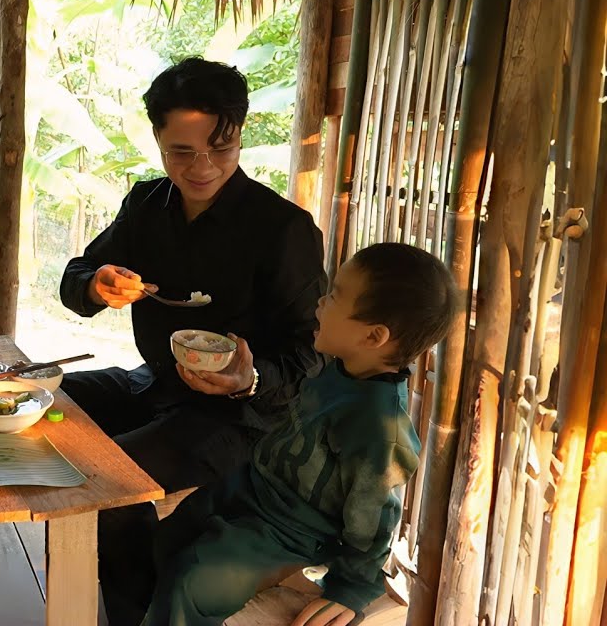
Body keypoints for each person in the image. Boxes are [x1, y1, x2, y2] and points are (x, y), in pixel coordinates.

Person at [58, 57, 327, 624]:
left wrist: (248, 378)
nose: (202, 167)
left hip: (240, 416)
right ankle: (108, 586)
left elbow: (311, 358)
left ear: (240, 136)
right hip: (153, 383)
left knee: (113, 483)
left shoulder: (283, 230)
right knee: (44, 403)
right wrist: (96, 285)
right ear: (157, 139)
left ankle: (135, 616)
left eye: (219, 148)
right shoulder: (147, 205)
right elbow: (77, 274)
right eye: (182, 151)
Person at [144, 242, 457, 625]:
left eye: (336, 296)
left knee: (192, 582)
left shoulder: (379, 428)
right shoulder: (337, 368)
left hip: (290, 533)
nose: (321, 303)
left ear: (373, 337)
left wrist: (352, 588)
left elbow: (375, 516)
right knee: (167, 539)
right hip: (248, 490)